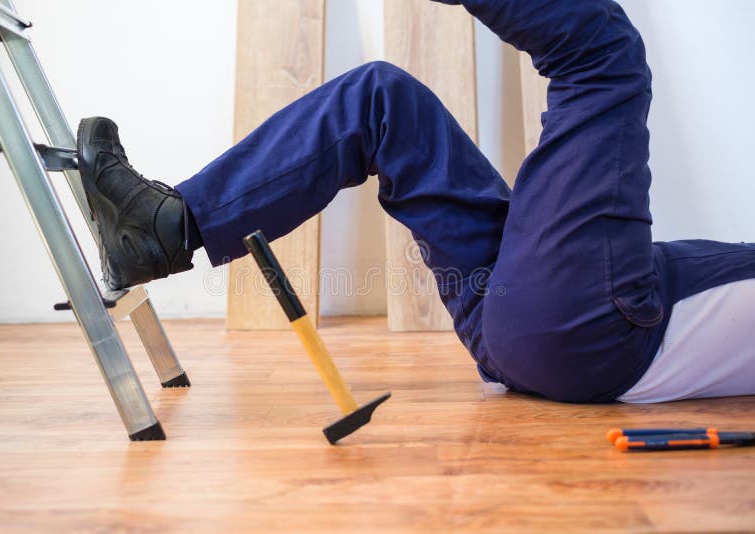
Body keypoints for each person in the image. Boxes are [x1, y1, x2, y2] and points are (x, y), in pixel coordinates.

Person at [75, 0, 755, 404]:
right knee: (382, 102)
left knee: (605, 55)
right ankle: (162, 229)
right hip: (523, 317)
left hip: (591, 334)